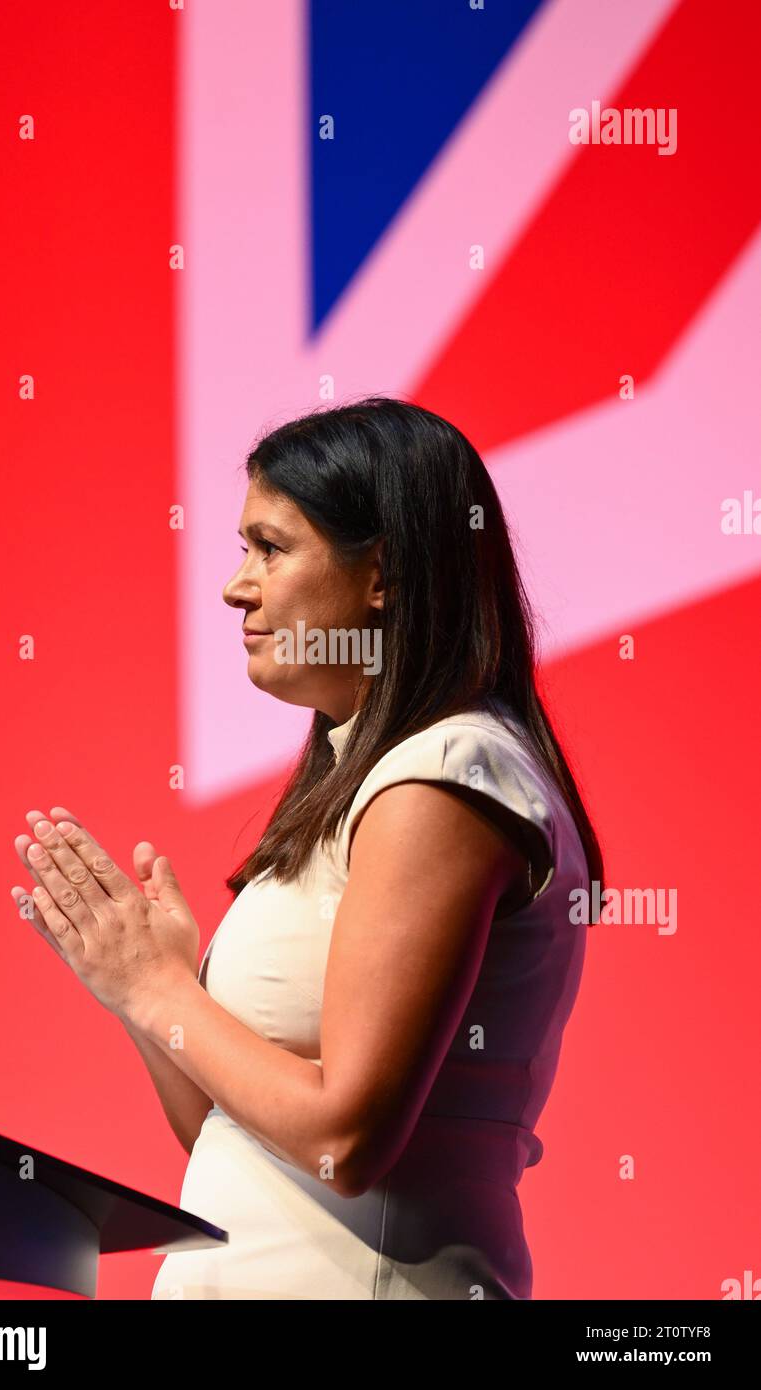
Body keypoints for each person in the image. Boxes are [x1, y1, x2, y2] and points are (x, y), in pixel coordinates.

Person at [142, 395, 604, 1300]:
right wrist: (150, 999)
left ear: (382, 574)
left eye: (270, 548)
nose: (238, 586)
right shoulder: (366, 777)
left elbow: (343, 1142)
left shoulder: (447, 774)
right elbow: (225, 1137)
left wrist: (152, 988)